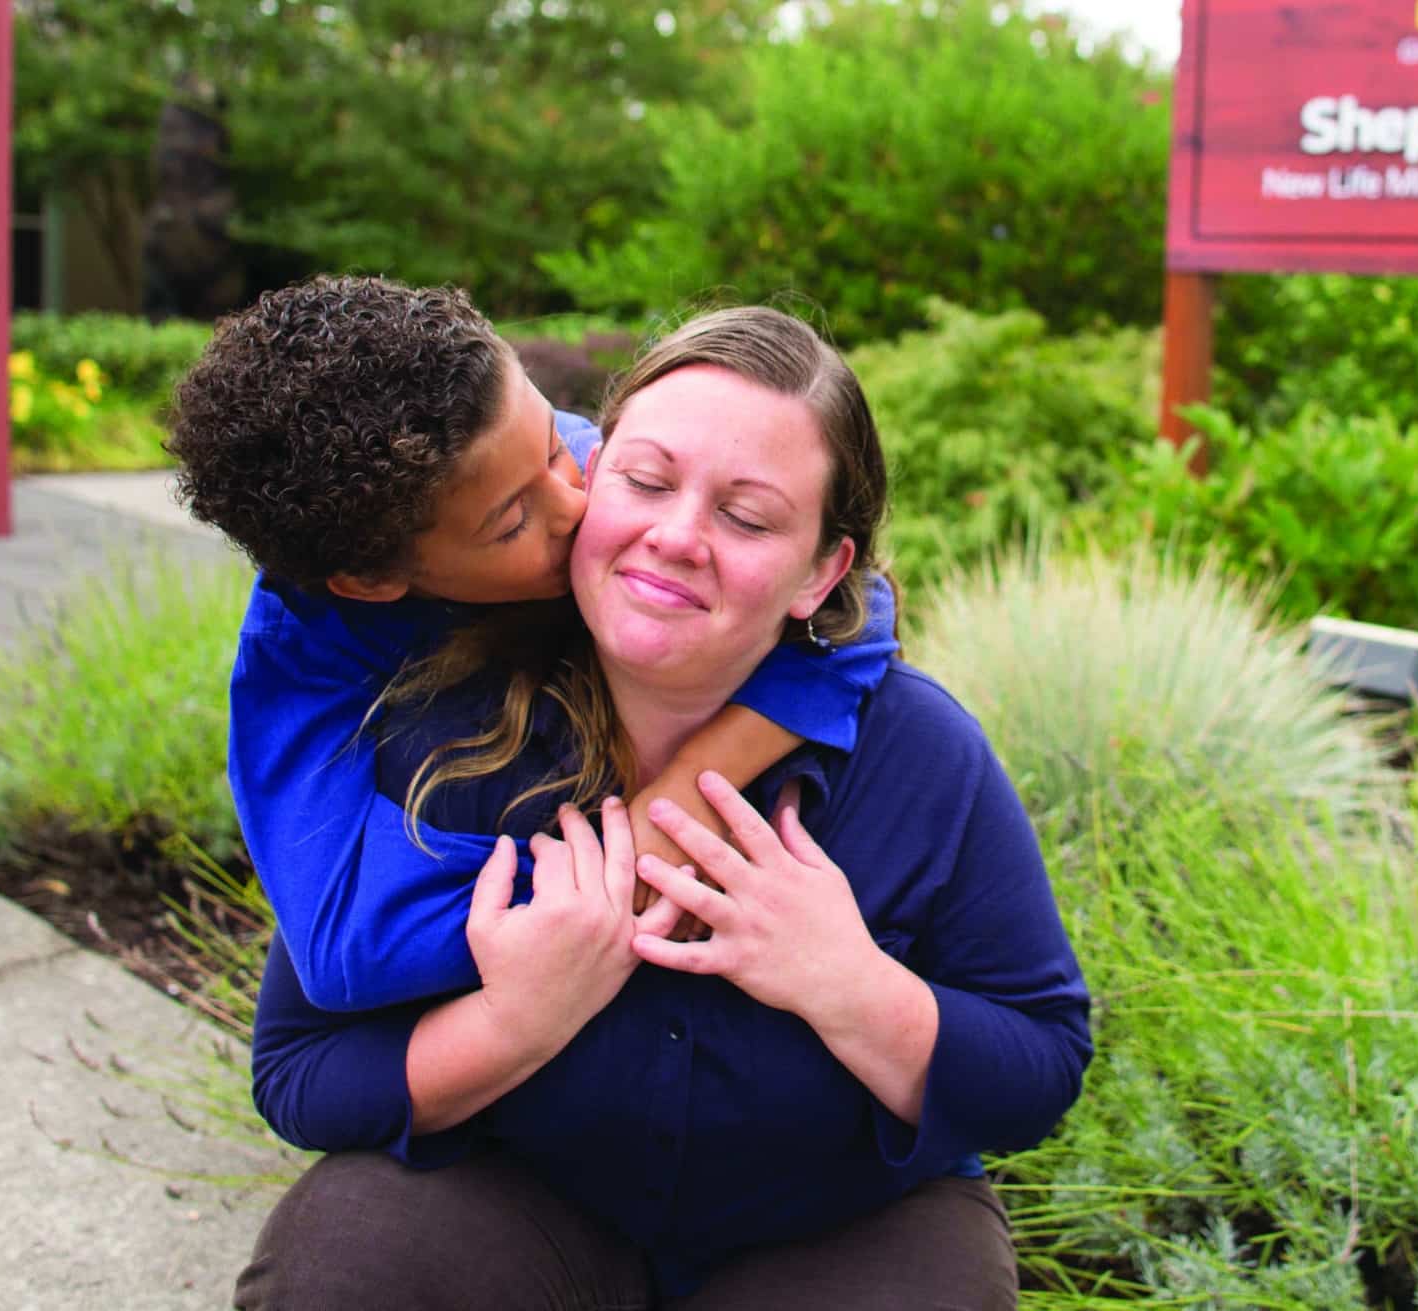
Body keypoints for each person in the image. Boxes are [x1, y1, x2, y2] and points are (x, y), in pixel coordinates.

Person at [237, 307, 1092, 1309]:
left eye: (748, 518)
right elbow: (300, 1070)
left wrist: (850, 984)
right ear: (591, 475)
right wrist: (516, 1020)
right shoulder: (445, 728)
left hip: (834, 1225)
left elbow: (1038, 1067)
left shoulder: (918, 754)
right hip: (522, 1205)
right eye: (645, 481)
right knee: (340, 1265)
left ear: (821, 571)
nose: (677, 537)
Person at [166, 277, 900, 1009]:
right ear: (370, 581)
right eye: (513, 523)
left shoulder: (512, 454)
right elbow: (344, 945)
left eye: (557, 447)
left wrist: (688, 794)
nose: (580, 505)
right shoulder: (306, 648)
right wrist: (611, 880)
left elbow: (855, 598)